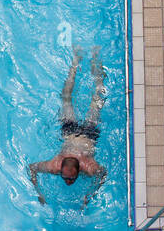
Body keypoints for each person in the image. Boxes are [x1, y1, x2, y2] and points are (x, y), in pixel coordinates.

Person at [29, 47, 108, 206]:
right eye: (66, 178)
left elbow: (103, 175)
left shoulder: (89, 167)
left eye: (71, 178)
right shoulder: (55, 166)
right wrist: (39, 193)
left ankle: (95, 58)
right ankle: (75, 61)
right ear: (61, 169)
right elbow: (31, 168)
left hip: (82, 135)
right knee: (67, 98)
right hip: (83, 133)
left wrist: (90, 195)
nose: (68, 181)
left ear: (80, 170)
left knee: (97, 95)